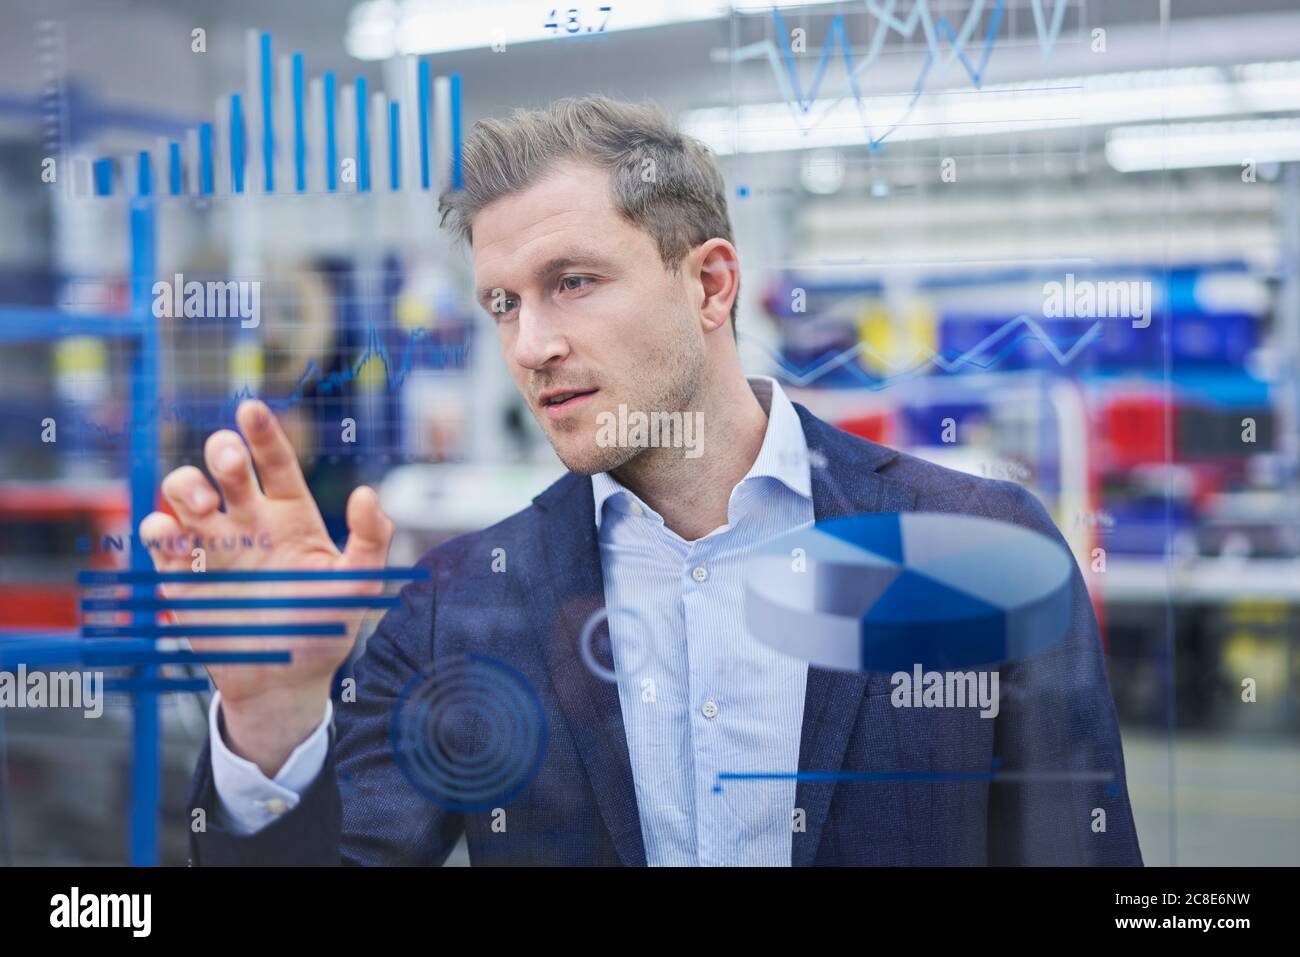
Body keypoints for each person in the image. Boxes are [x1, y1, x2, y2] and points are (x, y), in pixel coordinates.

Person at [143, 95, 1142, 866]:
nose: (530, 345)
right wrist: (275, 721)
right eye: (502, 302)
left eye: (571, 282)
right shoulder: (460, 607)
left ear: (709, 284)